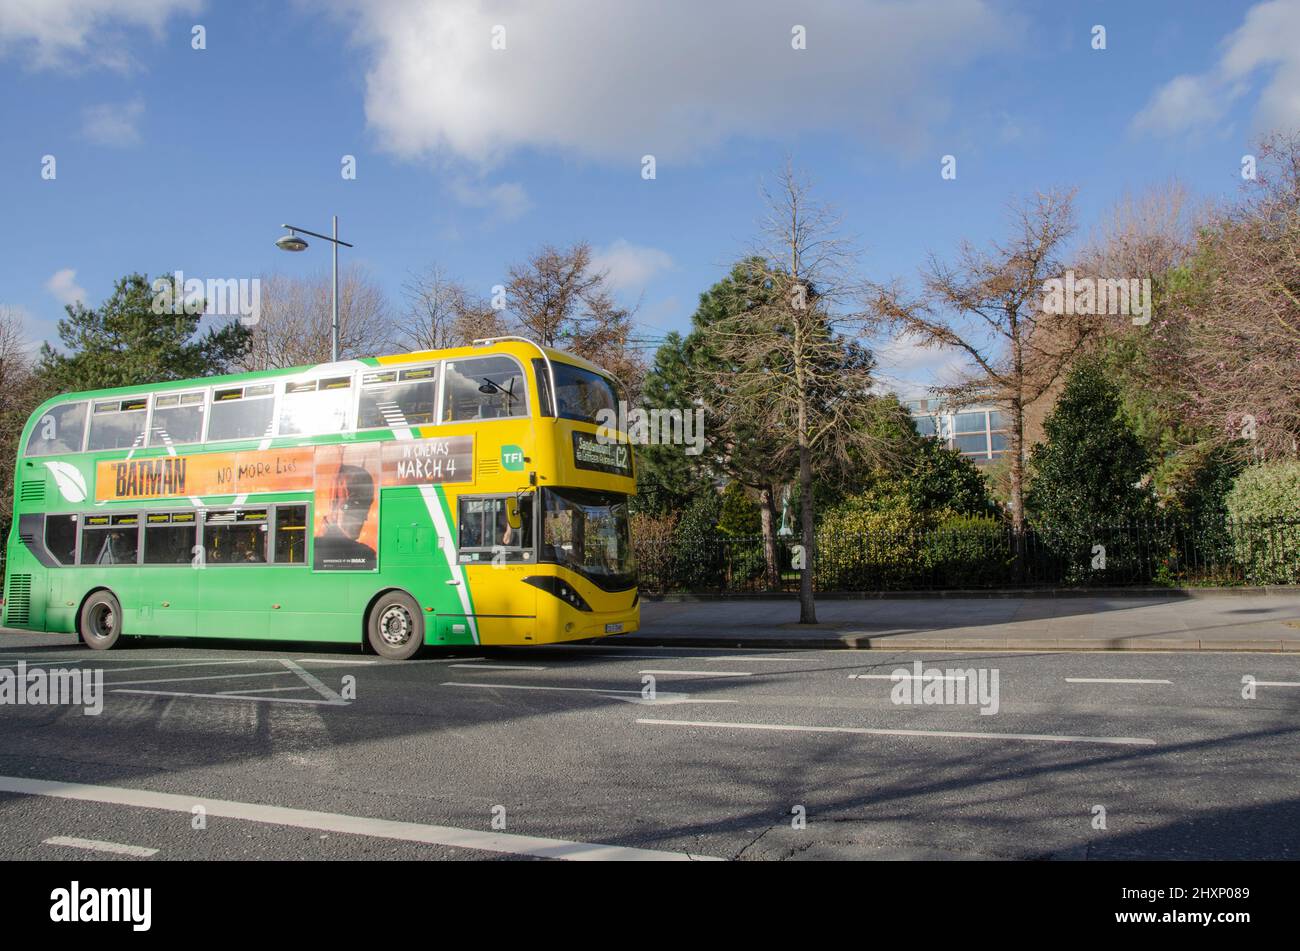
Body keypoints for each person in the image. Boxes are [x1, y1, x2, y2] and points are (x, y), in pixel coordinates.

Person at [313, 464, 376, 569]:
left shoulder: (313, 547)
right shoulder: (365, 554)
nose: (365, 518)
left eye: (366, 506)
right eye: (356, 503)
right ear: (334, 502)